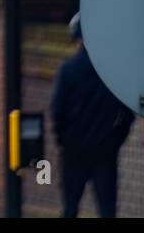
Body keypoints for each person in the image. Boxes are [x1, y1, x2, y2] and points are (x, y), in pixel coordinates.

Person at [49, 12, 134, 217]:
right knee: (107, 209)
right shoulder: (111, 71)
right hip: (105, 151)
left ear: (79, 39)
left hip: (74, 150)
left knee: (70, 208)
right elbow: (126, 112)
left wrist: (63, 140)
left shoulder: (68, 69)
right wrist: (115, 141)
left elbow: (57, 110)